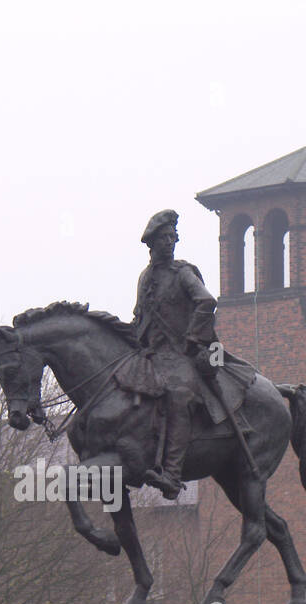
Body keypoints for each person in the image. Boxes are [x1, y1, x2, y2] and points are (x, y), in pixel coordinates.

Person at [127, 210, 221, 500]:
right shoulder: (145, 278)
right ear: (151, 243)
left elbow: (207, 301)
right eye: (164, 238)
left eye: (173, 237)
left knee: (177, 396)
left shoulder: (183, 274)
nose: (170, 243)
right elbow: (139, 316)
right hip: (151, 354)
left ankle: (172, 473)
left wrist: (192, 338)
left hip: (181, 356)